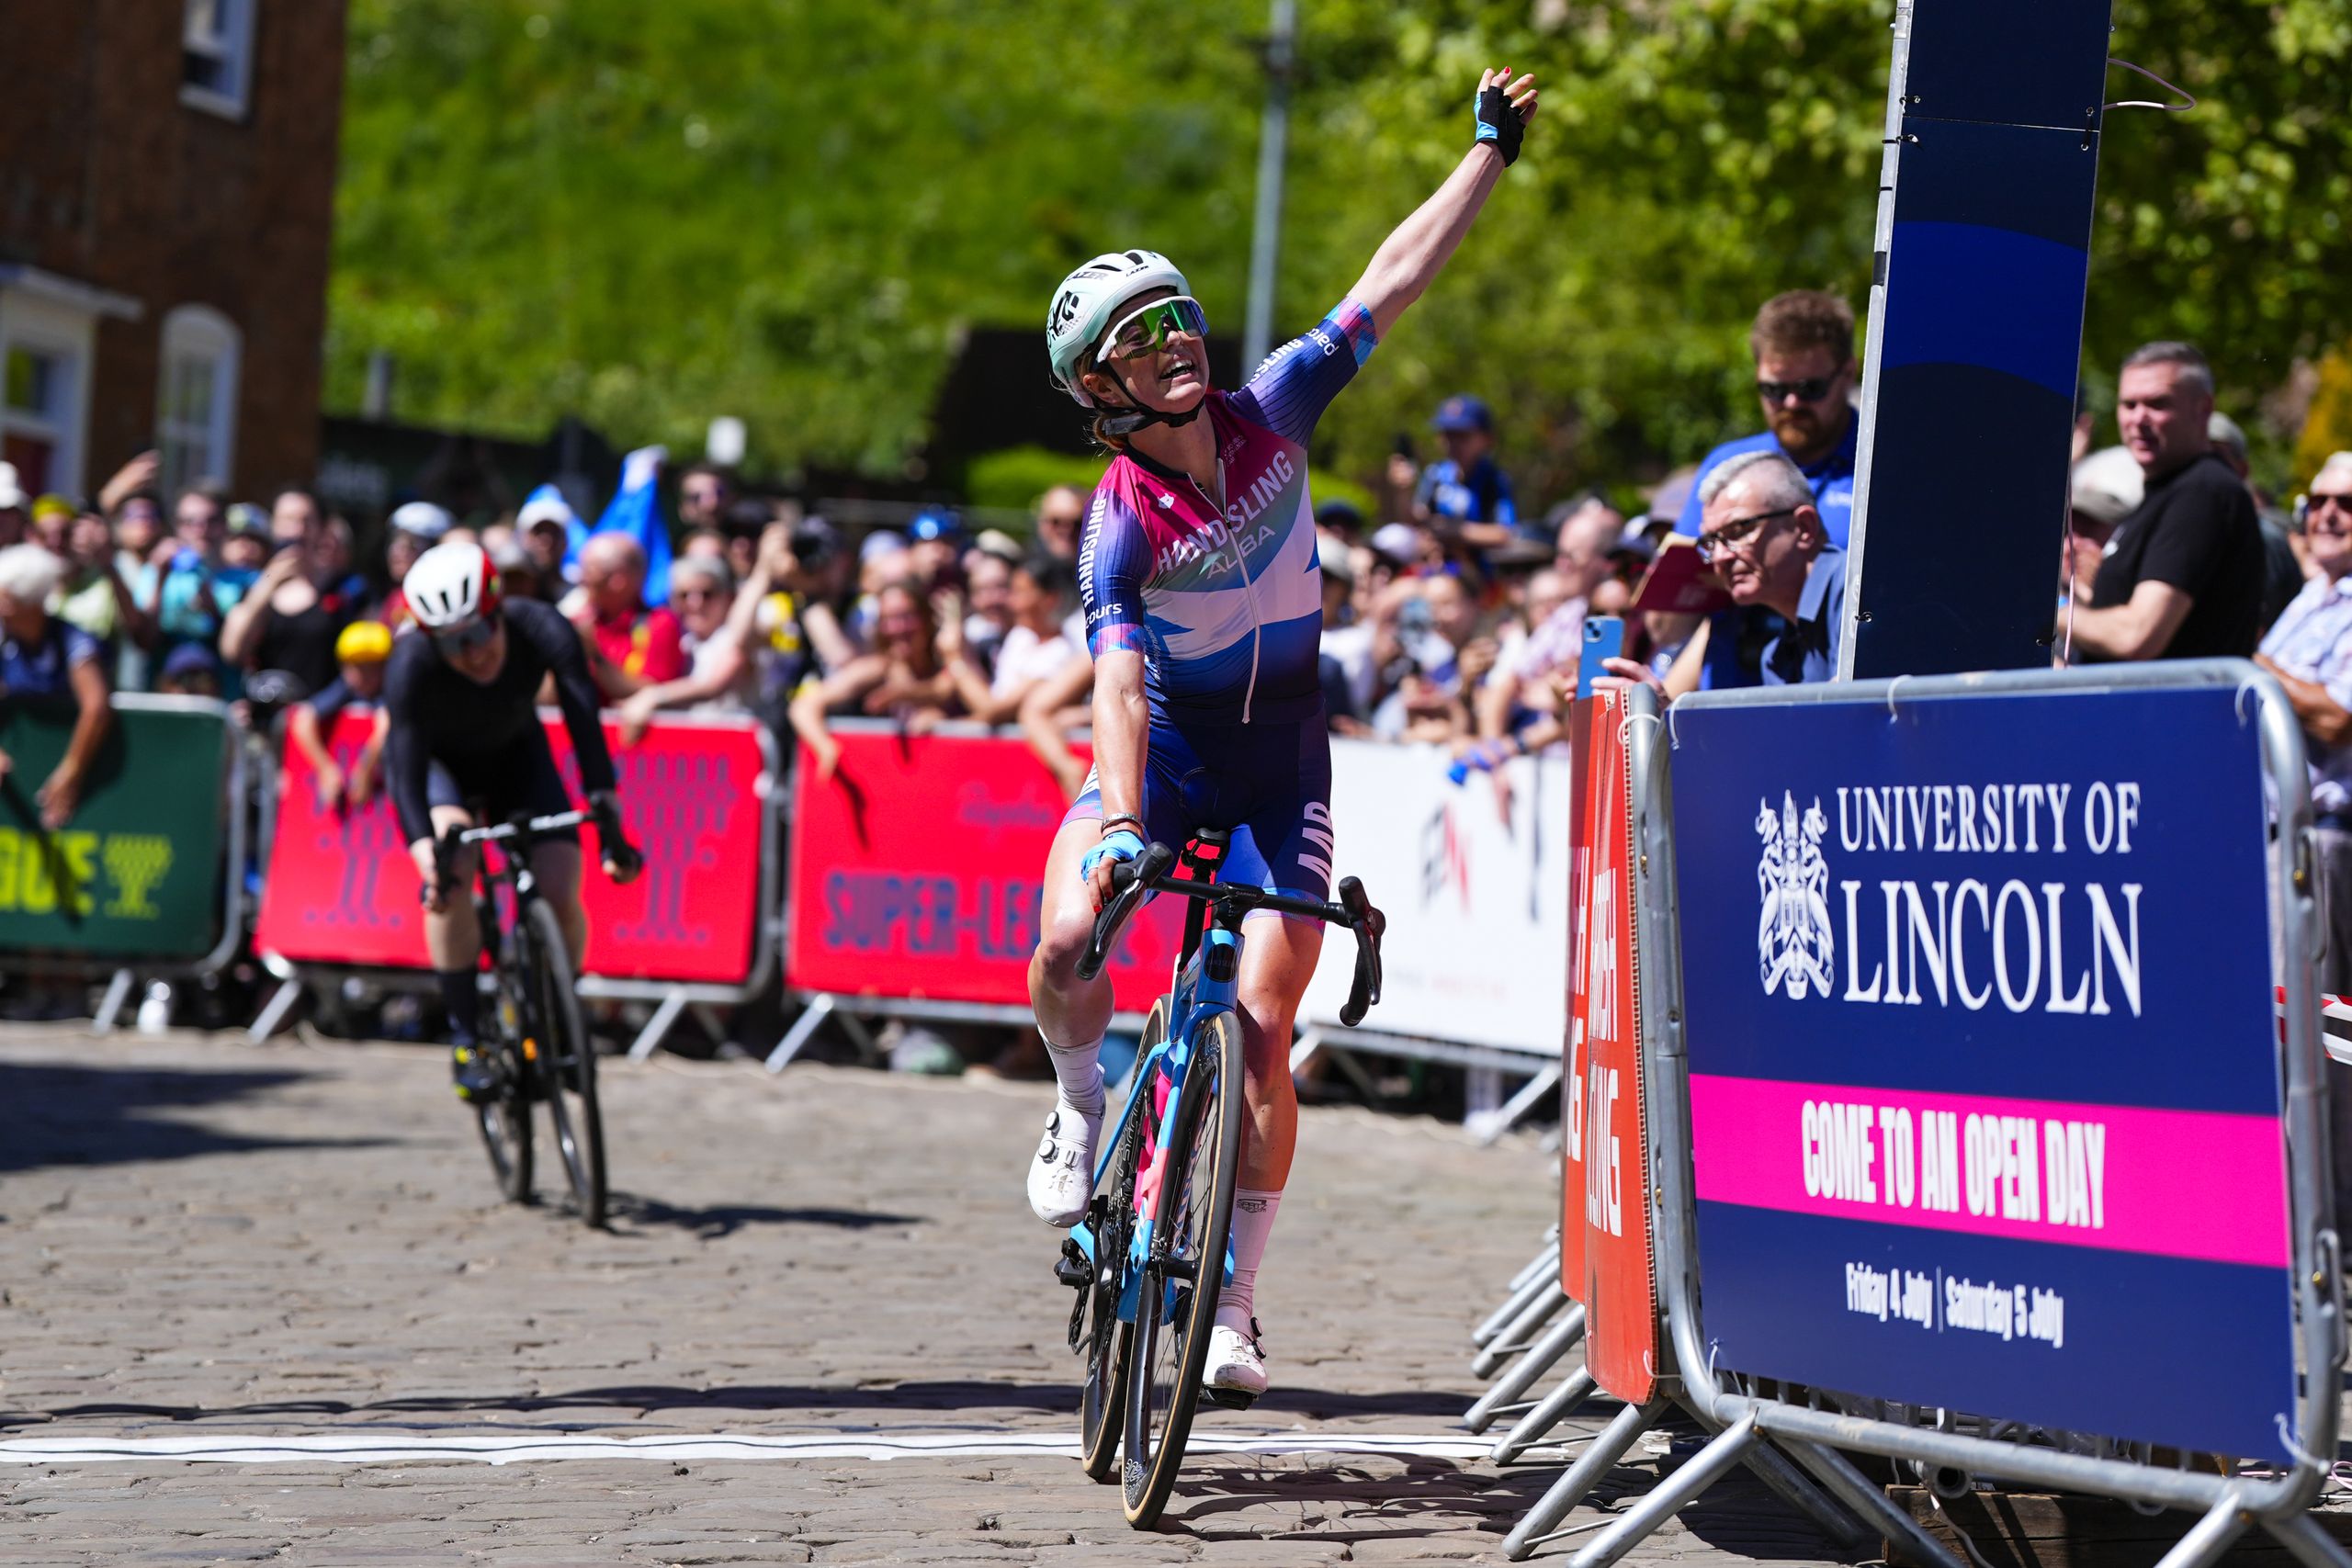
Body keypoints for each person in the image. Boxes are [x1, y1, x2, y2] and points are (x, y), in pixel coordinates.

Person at [1026, 63, 1538, 1401]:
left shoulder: (1274, 408)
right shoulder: (1119, 525)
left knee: (1263, 1018)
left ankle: (1236, 1302)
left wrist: (1488, 154)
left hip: (1281, 762)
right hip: (1168, 757)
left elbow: (1390, 281)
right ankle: (1079, 1104)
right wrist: (1123, 824)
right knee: (1069, 938)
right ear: (1102, 385)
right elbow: (1118, 687)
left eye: (1177, 315)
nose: (1174, 340)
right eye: (1141, 336)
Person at [383, 541, 640, 1097]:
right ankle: (467, 1039)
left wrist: (606, 811)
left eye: (479, 632)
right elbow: (404, 773)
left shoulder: (541, 627)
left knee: (559, 887)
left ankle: (559, 1015)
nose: (472, 652)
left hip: (517, 757)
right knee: (455, 867)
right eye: (452, 643)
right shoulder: (409, 664)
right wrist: (428, 858)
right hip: (444, 771)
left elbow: (583, 718)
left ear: (499, 609)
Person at [2252, 452, 2352, 1222]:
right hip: (2270, 839)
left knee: (2321, 1043)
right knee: (2279, 1037)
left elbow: (2334, 717)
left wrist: (2248, 661)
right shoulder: (2311, 598)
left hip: (2319, 843)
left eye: (2345, 503)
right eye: (2315, 500)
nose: (2326, 514)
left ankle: (2324, 1226)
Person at [2068, 343, 2264, 662]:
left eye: (2158, 404)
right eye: (2129, 404)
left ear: (2203, 409)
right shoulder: (2167, 491)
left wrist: (2052, 614)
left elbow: (2137, 636)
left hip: (2170, 697)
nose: (2138, 418)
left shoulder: (2203, 492)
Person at [1606, 450, 1843, 694]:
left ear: (1804, 526)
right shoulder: (1777, 656)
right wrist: (1662, 709)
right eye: (1711, 542)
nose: (1720, 557)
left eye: (1739, 530)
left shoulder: (1857, 597)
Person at [787, 579, 958, 778]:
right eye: (888, 619)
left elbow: (945, 689)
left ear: (926, 618)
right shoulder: (878, 667)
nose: (898, 628)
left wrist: (939, 722)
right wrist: (825, 747)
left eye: (906, 616)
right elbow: (803, 706)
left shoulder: (947, 663)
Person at [0, 543, 113, 829]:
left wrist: (71, 773)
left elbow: (96, 707)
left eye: (5, 599)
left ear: (29, 602)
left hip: (91, 781)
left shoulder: (73, 641)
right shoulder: (4, 640)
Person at [220, 491, 365, 697]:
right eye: (288, 520)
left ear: (322, 528)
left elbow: (361, 670)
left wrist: (318, 708)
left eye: (306, 521)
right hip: (264, 712)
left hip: (318, 714)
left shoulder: (346, 590)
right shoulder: (255, 587)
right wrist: (269, 583)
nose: (297, 531)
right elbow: (232, 651)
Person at [948, 554, 1080, 725]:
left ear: (1050, 599)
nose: (1011, 602)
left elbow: (995, 713)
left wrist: (954, 658)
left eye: (1021, 593)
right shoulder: (1020, 636)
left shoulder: (1061, 652)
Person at [571, 532, 686, 699]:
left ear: (618, 580)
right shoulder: (581, 622)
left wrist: (594, 656)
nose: (581, 579)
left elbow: (654, 692)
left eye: (589, 570)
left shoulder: (660, 624)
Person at [1412, 394, 1520, 553]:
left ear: (1486, 439)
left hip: (1480, 563)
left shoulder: (1495, 479)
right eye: (1448, 435)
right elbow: (1418, 519)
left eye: (1462, 436)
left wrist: (1456, 531)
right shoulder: (1435, 474)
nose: (1453, 443)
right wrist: (1403, 491)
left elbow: (1506, 533)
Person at [1033, 485, 1086, 562]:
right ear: (1041, 521)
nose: (1066, 530)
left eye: (1077, 523)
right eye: (1056, 521)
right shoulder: (1020, 563)